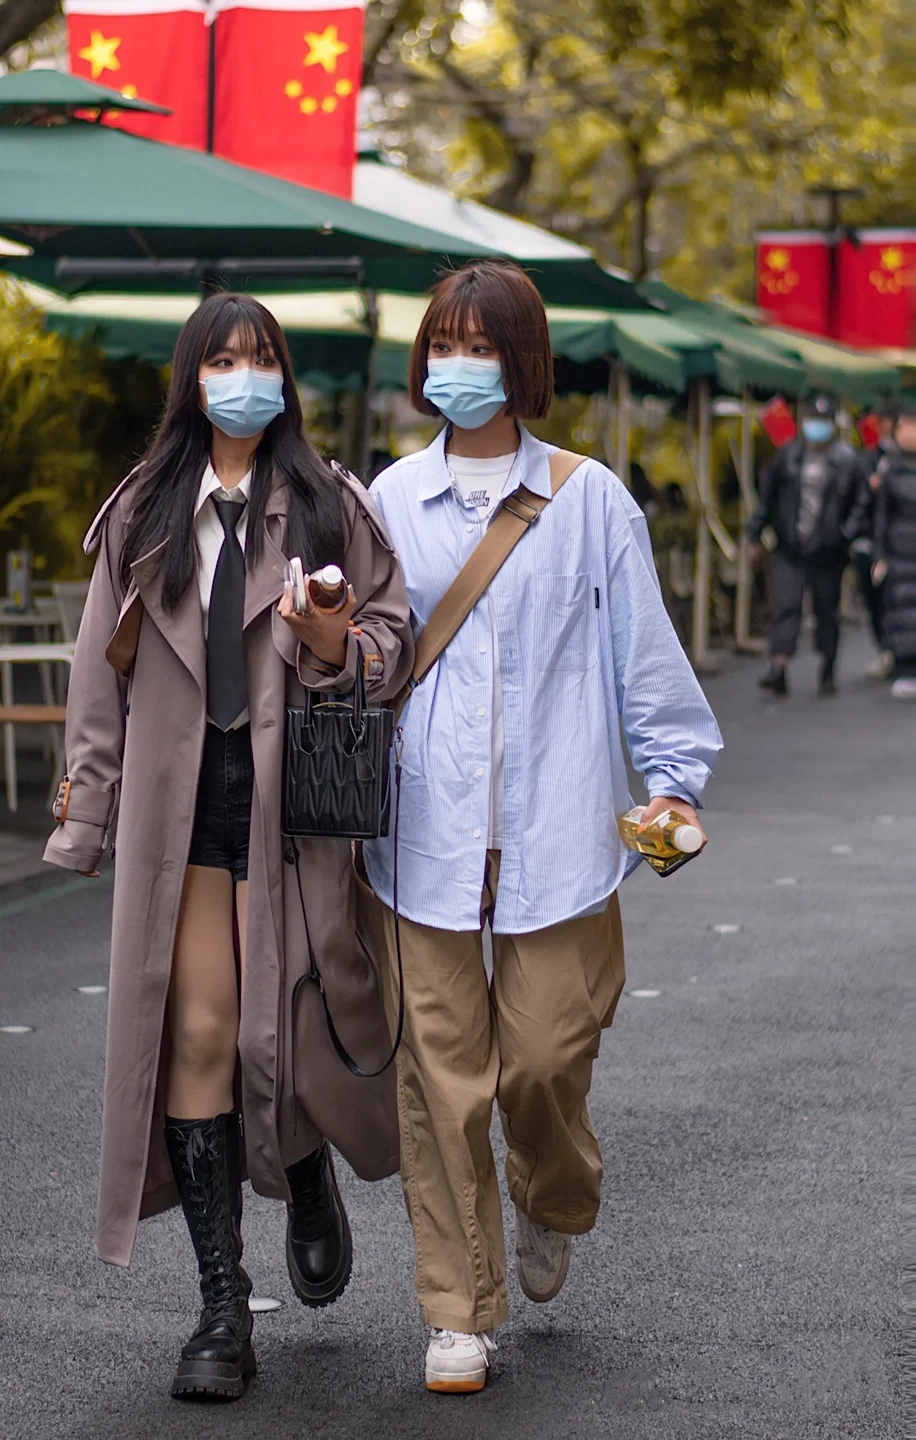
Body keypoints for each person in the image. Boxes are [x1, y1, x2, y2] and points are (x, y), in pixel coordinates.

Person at [43, 293, 413, 1403]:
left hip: (297, 814)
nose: (242, 379)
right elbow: (96, 682)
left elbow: (394, 639)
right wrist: (87, 813)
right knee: (201, 1030)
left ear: (284, 379)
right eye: (222, 360)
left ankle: (307, 1174)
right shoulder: (143, 512)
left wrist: (334, 641)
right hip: (184, 816)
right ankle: (219, 1304)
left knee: (280, 1034)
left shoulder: (329, 503)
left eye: (261, 360)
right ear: (191, 380)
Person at [363, 260, 722, 1395]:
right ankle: (457, 1308)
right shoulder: (386, 500)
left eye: (480, 345)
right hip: (421, 829)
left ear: (522, 362)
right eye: (442, 344)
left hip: (561, 831)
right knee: (441, 1082)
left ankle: (551, 1193)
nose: (457, 365)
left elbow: (642, 656)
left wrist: (674, 779)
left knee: (547, 1061)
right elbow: (368, 652)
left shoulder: (591, 500)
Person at [749, 392, 863, 696]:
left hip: (829, 551)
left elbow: (861, 502)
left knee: (827, 610)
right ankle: (779, 665)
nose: (816, 427)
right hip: (790, 547)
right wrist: (755, 533)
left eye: (822, 421)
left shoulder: (847, 460)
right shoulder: (787, 456)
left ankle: (827, 666)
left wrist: (846, 533)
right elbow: (767, 499)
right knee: (786, 605)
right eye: (813, 420)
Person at [849, 397, 900, 678]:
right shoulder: (867, 460)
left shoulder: (906, 460)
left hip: (900, 544)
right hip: (869, 541)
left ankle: (900, 651)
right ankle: (886, 649)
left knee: (899, 599)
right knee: (874, 600)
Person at [872, 397, 916, 700]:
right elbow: (881, 516)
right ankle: (904, 668)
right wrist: (880, 555)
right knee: (900, 609)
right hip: (898, 551)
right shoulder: (890, 468)